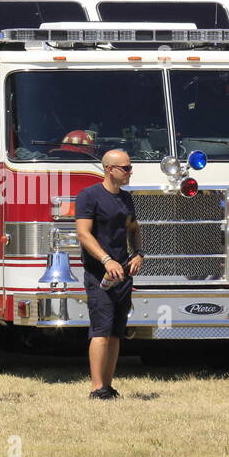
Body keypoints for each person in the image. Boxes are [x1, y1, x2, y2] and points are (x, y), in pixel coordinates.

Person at [74, 149, 145, 399]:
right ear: (109, 169)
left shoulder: (127, 199)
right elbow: (84, 234)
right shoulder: (89, 196)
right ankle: (96, 387)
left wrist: (138, 253)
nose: (130, 172)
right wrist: (105, 260)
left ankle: (108, 384)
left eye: (130, 167)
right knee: (101, 331)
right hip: (99, 274)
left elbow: (134, 228)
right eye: (125, 168)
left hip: (123, 274)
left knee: (116, 332)